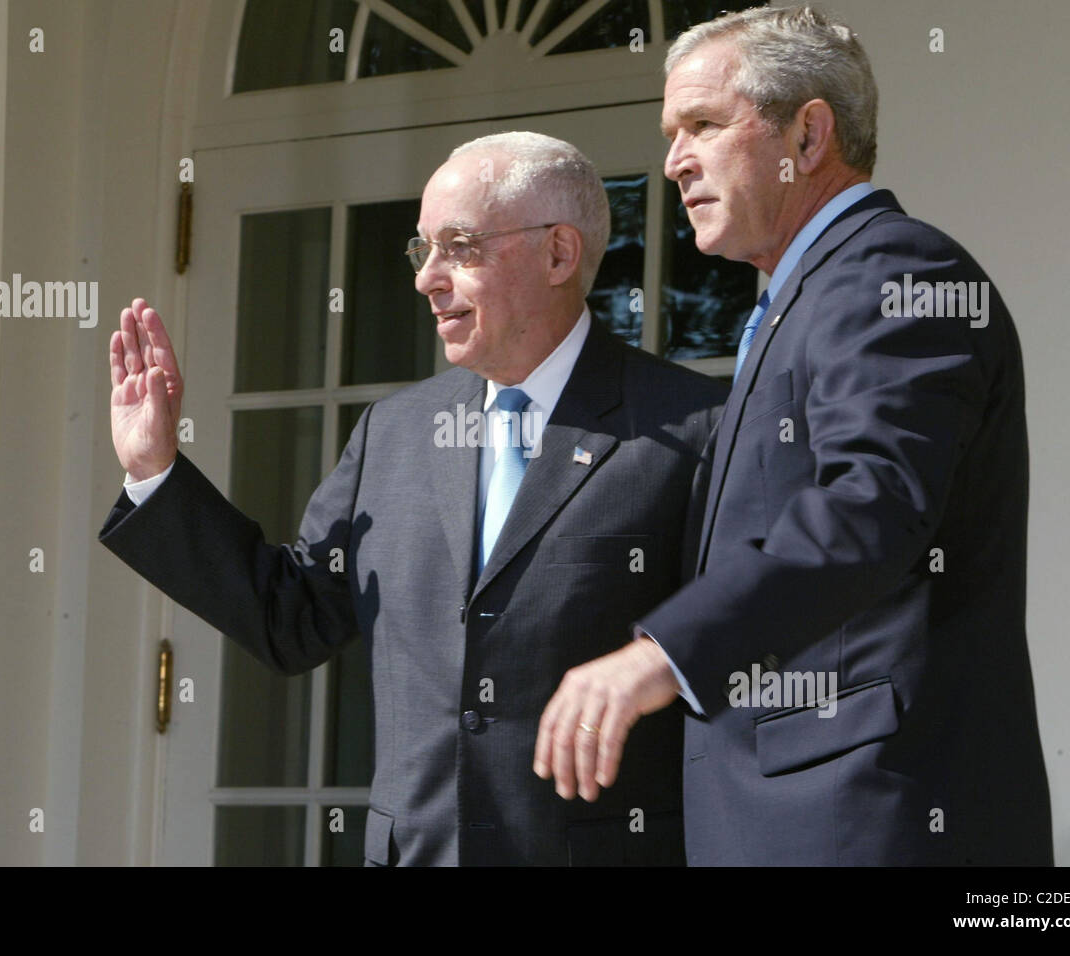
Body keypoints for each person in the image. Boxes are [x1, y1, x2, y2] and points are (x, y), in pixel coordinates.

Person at [99, 131, 729, 865]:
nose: (427, 277)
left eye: (458, 246)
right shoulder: (395, 432)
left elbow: (748, 650)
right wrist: (155, 469)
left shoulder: (695, 430)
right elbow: (291, 617)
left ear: (559, 254)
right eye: (421, 249)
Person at [533, 7, 1053, 865]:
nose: (674, 161)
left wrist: (661, 654)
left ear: (808, 137)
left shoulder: (895, 273)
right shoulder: (799, 301)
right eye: (672, 134)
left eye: (703, 124)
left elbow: (871, 506)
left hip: (870, 822)